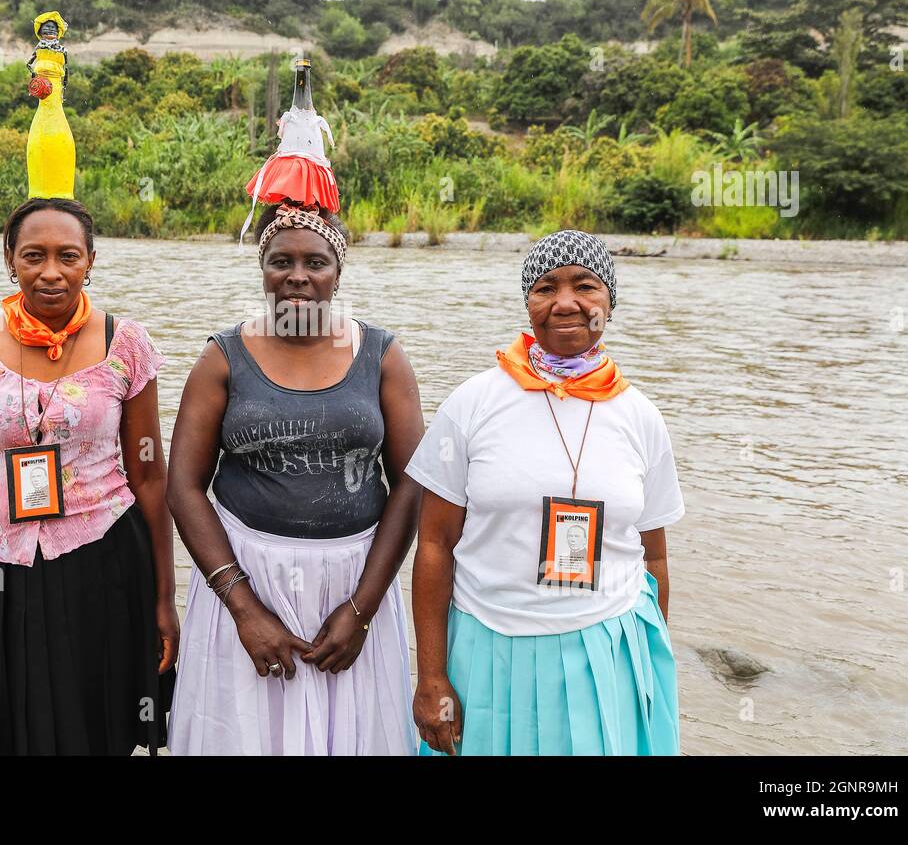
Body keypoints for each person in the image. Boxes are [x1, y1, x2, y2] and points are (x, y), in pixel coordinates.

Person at [408, 229, 683, 756]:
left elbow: (656, 557)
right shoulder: (473, 403)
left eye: (585, 286)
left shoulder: (640, 417)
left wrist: (648, 661)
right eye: (544, 287)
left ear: (609, 302)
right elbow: (435, 545)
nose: (565, 303)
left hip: (606, 650)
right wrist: (432, 677)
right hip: (488, 648)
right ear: (526, 302)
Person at [0, 196, 178, 755]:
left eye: (69, 256)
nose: (51, 272)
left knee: (97, 730)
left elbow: (150, 477)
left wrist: (164, 599)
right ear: (10, 260)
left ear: (90, 261)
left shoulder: (124, 346)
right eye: (34, 255)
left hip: (105, 564)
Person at [166, 204, 423, 755]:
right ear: (263, 270)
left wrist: (361, 609)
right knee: (244, 735)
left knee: (351, 735)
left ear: (339, 270)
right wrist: (244, 607)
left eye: (316, 262)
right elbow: (183, 487)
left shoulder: (382, 356)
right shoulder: (223, 357)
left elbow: (410, 485)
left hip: (355, 580)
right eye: (281, 261)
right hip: (242, 577)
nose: (298, 276)